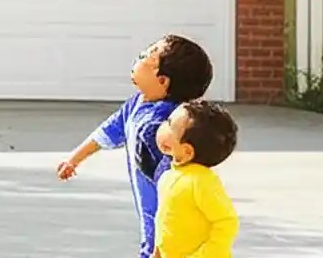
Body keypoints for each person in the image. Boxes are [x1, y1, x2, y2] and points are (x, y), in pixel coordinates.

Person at [55, 34, 214, 258]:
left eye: (145, 57)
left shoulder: (163, 125)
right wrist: (75, 158)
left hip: (169, 219)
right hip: (155, 219)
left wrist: (161, 246)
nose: (137, 60)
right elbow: (109, 130)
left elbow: (171, 184)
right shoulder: (137, 103)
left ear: (162, 81)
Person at [152, 99, 240, 258]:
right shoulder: (168, 176)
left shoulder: (201, 182)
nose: (162, 125)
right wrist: (157, 252)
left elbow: (227, 222)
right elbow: (164, 221)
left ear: (186, 152)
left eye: (169, 124)